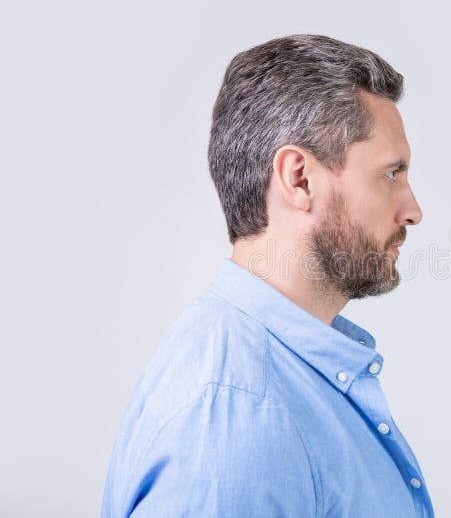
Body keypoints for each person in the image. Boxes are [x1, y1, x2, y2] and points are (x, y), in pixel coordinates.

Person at [101, 34, 433, 517]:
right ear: (299, 178)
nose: (414, 210)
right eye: (391, 173)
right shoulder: (237, 421)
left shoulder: (275, 383)